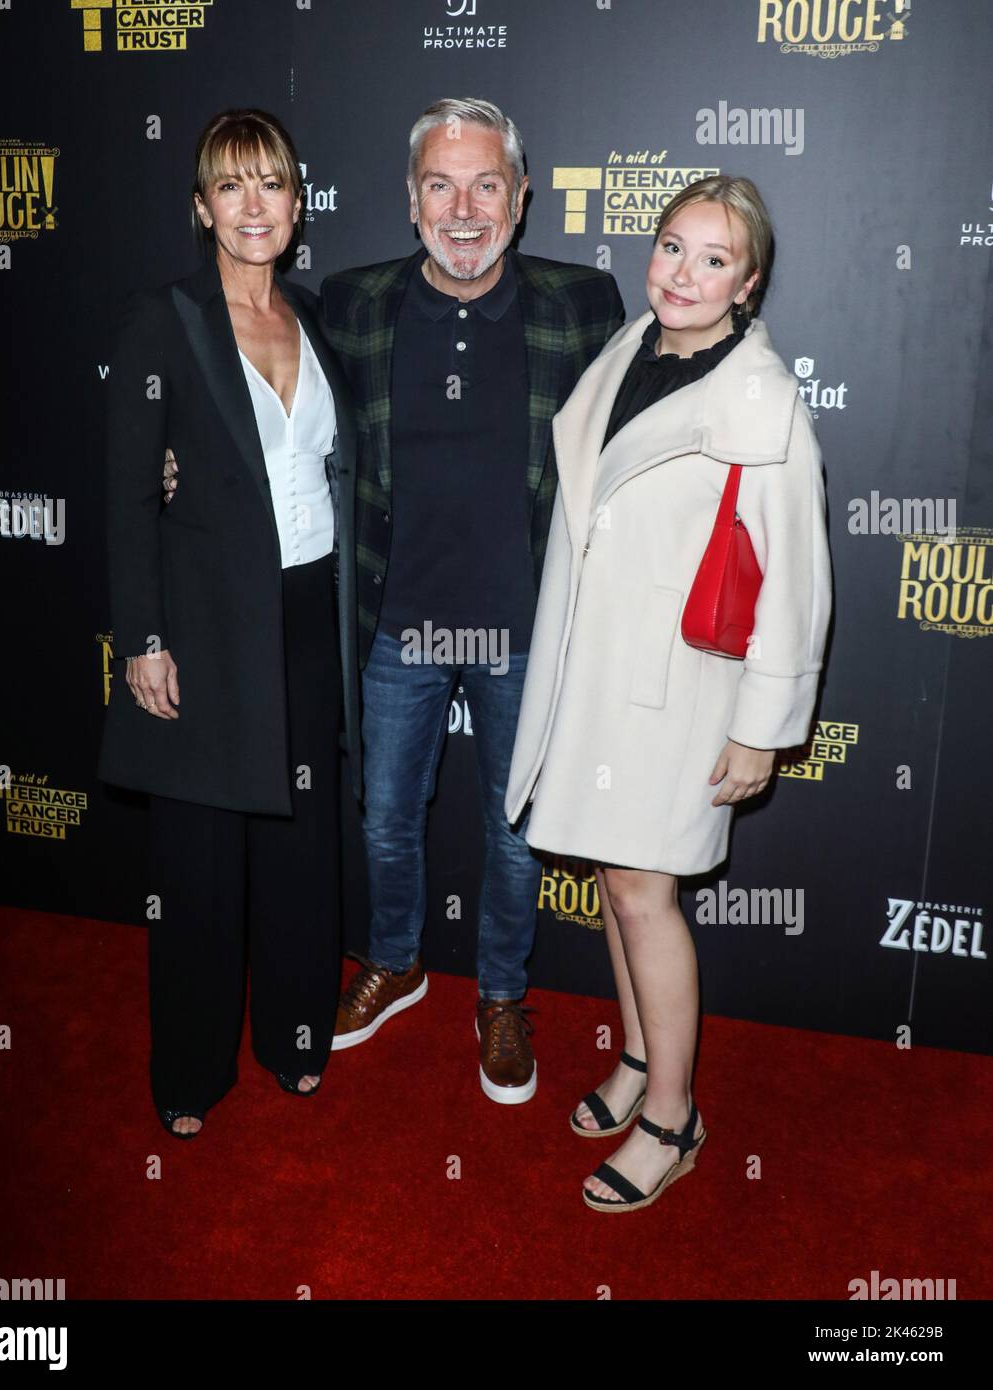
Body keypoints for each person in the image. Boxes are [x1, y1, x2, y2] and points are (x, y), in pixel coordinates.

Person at [505, 175, 831, 1204]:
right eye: (671, 247)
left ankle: (673, 1117)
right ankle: (643, 1056)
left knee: (647, 896)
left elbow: (798, 579)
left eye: (714, 259)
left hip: (678, 691)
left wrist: (762, 731)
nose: (683, 274)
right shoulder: (630, 348)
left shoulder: (761, 396)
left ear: (751, 281)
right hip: (598, 674)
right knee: (615, 877)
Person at [318, 98, 625, 1104]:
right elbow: (281, 429)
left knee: (512, 830)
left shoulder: (582, 306)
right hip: (393, 620)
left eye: (486, 184)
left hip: (524, 627)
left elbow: (635, 454)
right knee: (385, 819)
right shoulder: (352, 304)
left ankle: (500, 992)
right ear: (411, 202)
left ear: (522, 197)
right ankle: (398, 960)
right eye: (441, 186)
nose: (464, 209)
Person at [98, 109, 361, 1138]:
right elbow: (128, 493)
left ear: (298, 205)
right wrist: (143, 637)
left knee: (301, 848)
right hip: (206, 628)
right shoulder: (163, 321)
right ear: (203, 205)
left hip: (309, 614)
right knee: (198, 867)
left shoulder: (316, 317)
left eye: (275, 185)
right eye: (233, 185)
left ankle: (297, 1037)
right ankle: (189, 1074)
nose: (256, 206)